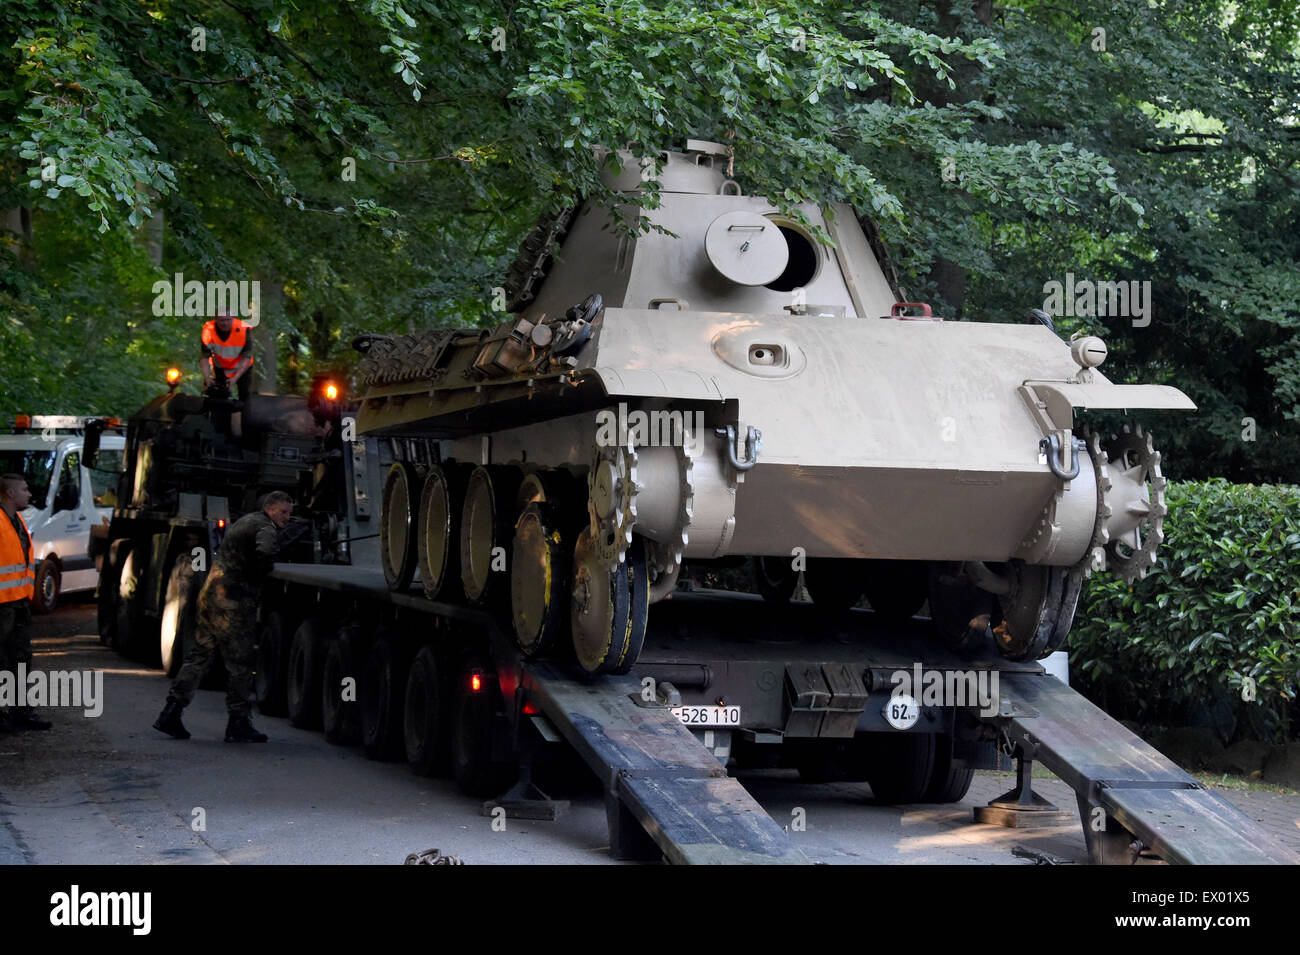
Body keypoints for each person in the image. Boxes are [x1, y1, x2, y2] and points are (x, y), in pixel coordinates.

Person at [153, 491, 293, 742]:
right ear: (270, 509)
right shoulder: (265, 527)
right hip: (233, 603)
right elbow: (266, 549)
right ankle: (237, 722)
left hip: (212, 596)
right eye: (283, 512)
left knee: (199, 655)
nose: (287, 517)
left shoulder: (246, 520)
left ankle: (171, 711)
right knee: (240, 663)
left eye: (289, 513)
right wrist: (265, 568)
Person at [0, 473, 51, 731]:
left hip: (17, 603)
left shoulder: (15, 521)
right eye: (24, 489)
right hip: (2, 605)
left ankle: (21, 712)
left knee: (20, 658)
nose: (29, 494)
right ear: (9, 493)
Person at [200, 310, 254, 403]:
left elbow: (247, 357)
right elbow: (204, 356)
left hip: (242, 367)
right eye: (222, 320)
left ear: (233, 319)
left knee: (245, 395)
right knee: (218, 395)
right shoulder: (208, 330)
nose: (225, 323)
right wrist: (207, 377)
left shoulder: (243, 329)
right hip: (221, 367)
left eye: (228, 320)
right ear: (215, 320)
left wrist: (235, 378)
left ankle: (246, 414)